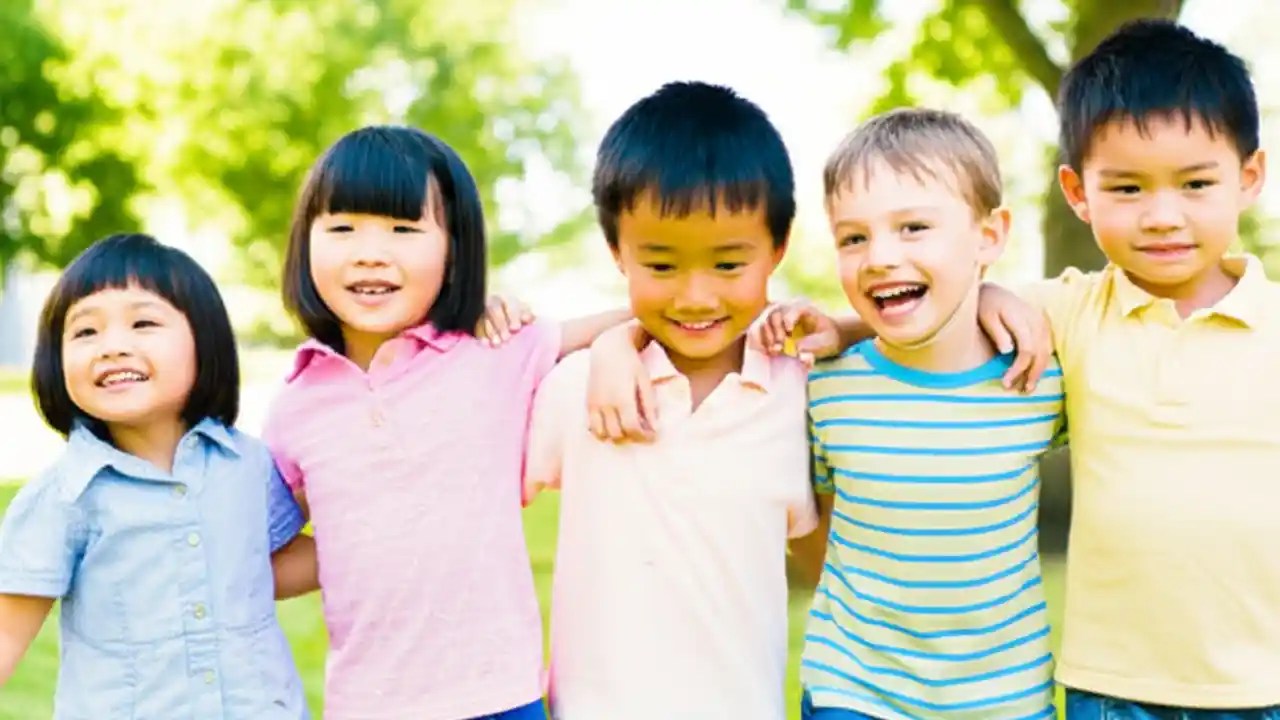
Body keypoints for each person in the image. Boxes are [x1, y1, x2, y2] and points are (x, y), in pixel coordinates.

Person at [263, 125, 632, 719]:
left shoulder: (496, 350)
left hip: (501, 697)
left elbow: (650, 314)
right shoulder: (297, 404)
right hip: (368, 705)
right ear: (305, 244)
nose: (369, 251)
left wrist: (617, 350)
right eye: (341, 228)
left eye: (404, 229)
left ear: (454, 248)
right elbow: (272, 557)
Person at [524, 81, 817, 720]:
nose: (695, 297)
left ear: (778, 247)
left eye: (727, 265)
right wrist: (607, 341)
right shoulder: (577, 390)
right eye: (660, 266)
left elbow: (827, 567)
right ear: (616, 253)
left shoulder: (803, 398)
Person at [0, 233, 309, 719]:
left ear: (203, 342)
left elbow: (262, 568)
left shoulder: (248, 467)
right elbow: (7, 631)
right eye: (85, 333)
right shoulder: (64, 497)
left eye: (143, 322)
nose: (112, 347)